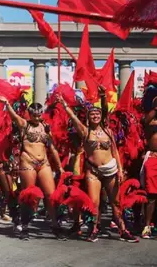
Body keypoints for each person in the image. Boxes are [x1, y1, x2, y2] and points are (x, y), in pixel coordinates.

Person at [58, 92, 138, 243]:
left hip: (111, 170)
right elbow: (73, 118)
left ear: (101, 116)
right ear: (88, 117)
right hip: (93, 171)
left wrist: (120, 170)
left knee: (116, 202)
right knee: (94, 202)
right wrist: (64, 104)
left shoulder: (108, 132)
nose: (95, 116)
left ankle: (123, 230)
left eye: (97, 113)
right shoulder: (85, 131)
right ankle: (93, 229)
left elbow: (114, 151)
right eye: (92, 114)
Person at [1, 98, 65, 240]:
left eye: (39, 115)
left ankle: (55, 225)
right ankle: (24, 226)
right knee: (29, 196)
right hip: (28, 163)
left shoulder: (46, 127)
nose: (37, 117)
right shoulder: (25, 125)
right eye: (34, 115)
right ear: (29, 115)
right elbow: (14, 117)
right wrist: (7, 105)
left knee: (51, 195)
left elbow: (52, 148)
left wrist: (60, 166)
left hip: (44, 163)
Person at [141, 79, 157, 238]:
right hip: (153, 158)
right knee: (151, 195)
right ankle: (147, 225)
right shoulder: (150, 119)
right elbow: (147, 123)